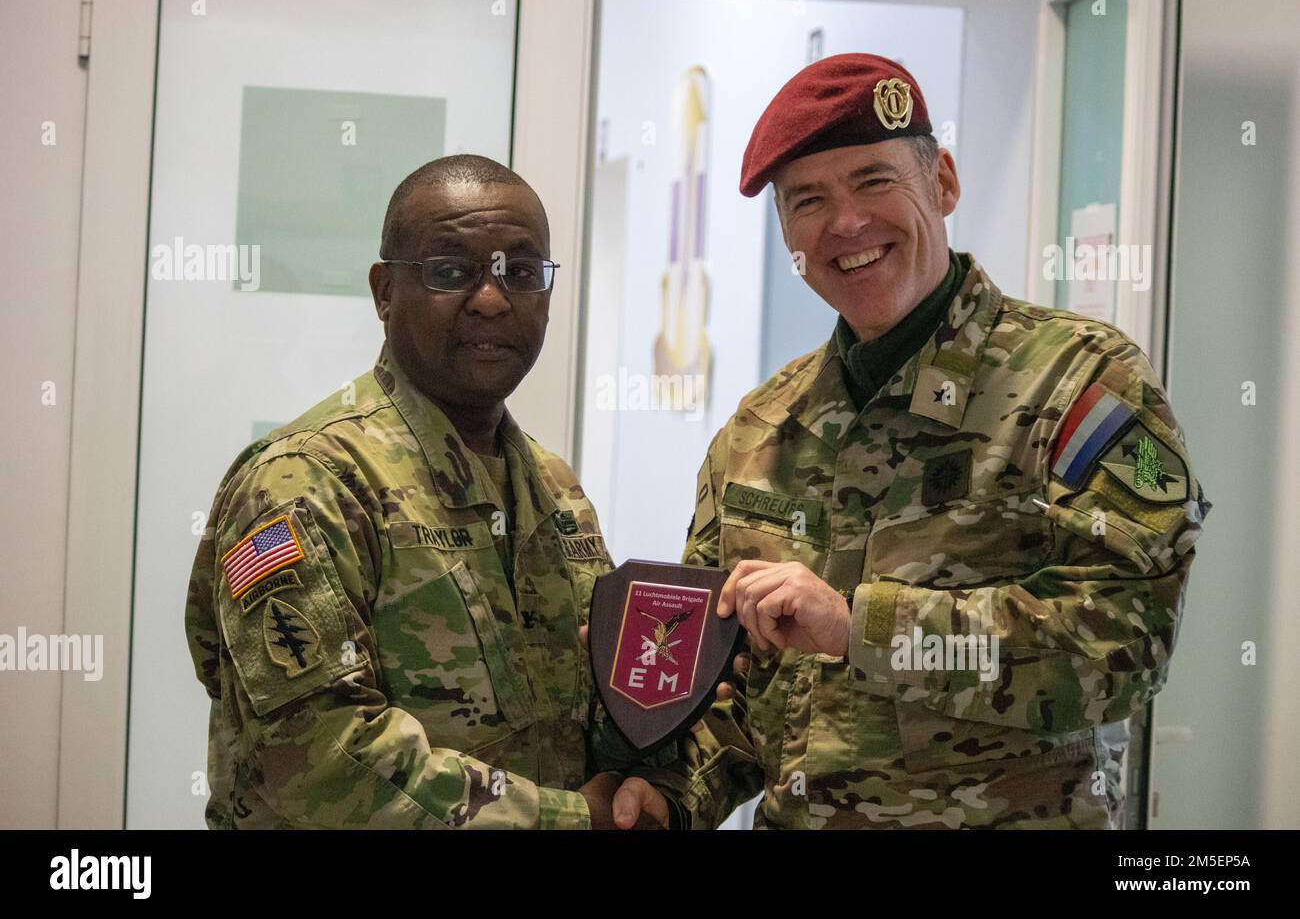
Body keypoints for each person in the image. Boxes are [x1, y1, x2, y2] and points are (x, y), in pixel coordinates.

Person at [610, 53, 1210, 830]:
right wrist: (669, 793)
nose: (846, 223)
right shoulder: (761, 428)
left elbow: (1125, 642)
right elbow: (731, 688)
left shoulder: (1080, 385)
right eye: (808, 201)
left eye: (874, 181)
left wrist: (865, 629)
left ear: (944, 183)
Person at [185, 154, 634, 828]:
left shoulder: (554, 489)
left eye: (521, 271)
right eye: (450, 271)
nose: (491, 298)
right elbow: (322, 759)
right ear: (384, 292)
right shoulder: (308, 483)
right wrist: (577, 821)